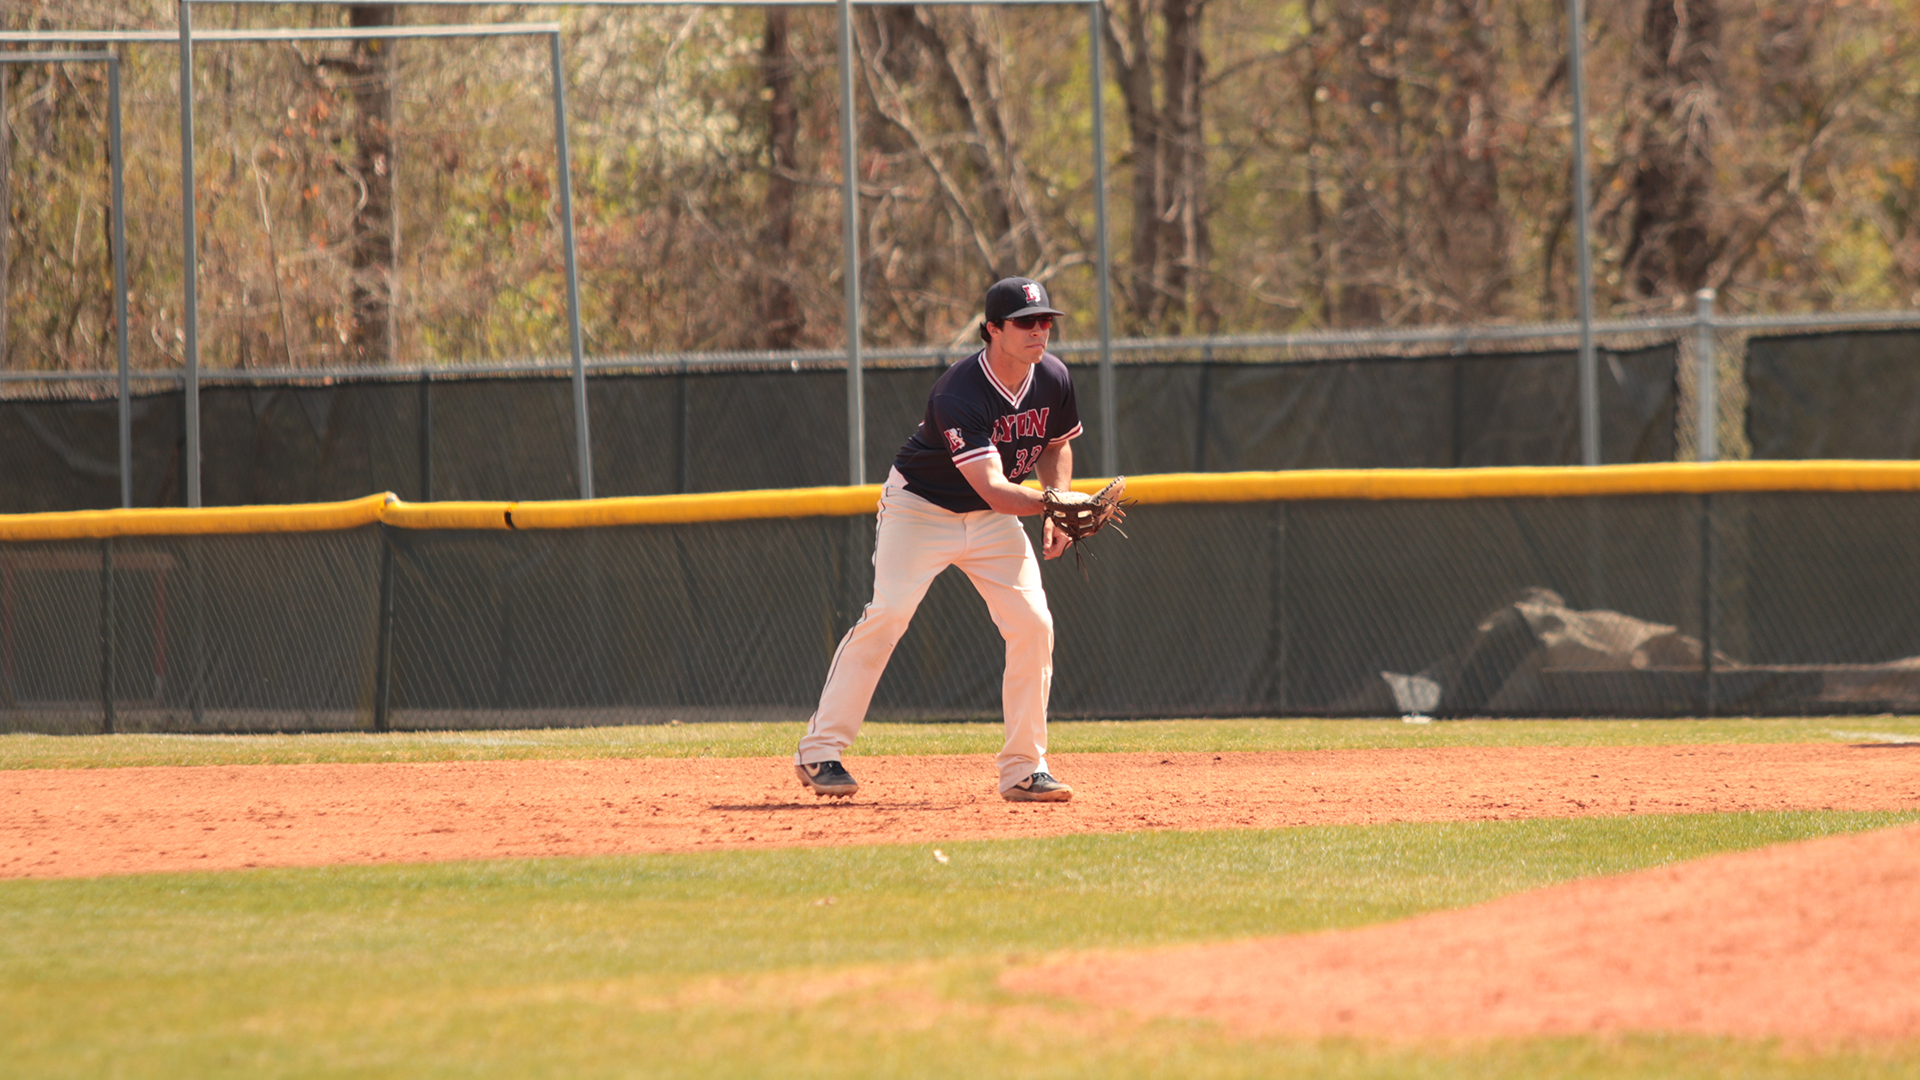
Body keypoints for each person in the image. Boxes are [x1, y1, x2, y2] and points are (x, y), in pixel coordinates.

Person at [795, 277, 1083, 803]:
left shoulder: (1054, 378)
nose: (1040, 331)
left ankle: (1024, 768)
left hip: (993, 520)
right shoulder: (959, 391)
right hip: (921, 508)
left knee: (1033, 624)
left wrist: (1057, 501)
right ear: (993, 329)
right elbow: (995, 490)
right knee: (889, 613)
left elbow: (1055, 445)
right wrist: (1053, 505)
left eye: (1046, 321)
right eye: (1025, 322)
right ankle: (820, 750)